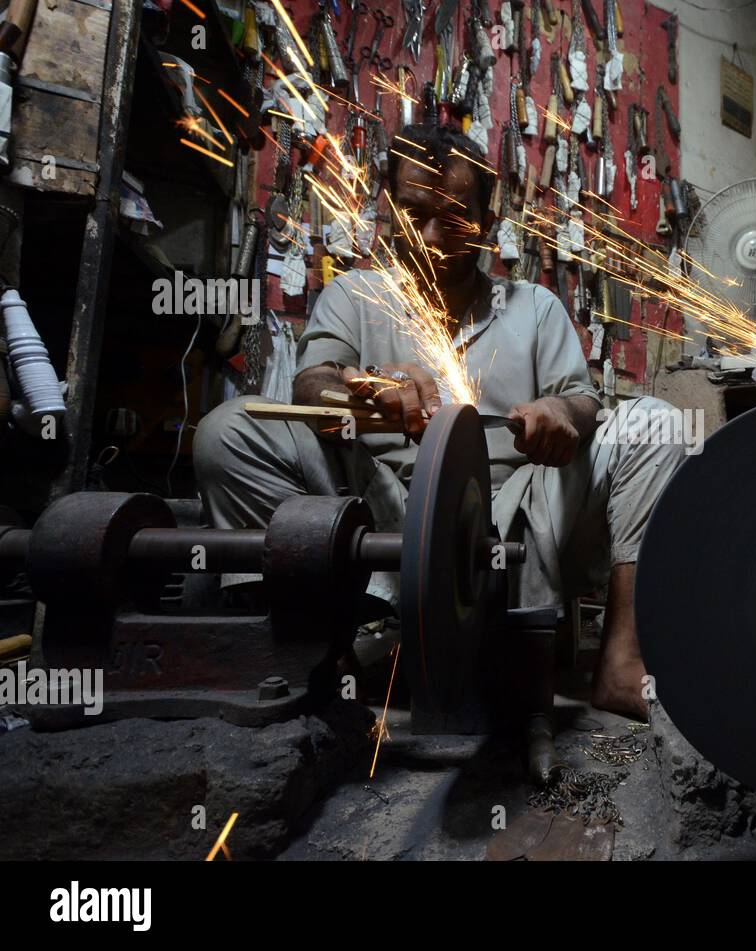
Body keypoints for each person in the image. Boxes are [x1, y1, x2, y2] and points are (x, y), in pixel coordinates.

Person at [194, 123, 686, 719]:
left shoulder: (534, 307)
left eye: (453, 218)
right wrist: (365, 385)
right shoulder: (355, 295)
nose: (430, 238)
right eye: (413, 214)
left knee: (655, 424)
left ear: (488, 212)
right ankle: (321, 656)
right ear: (390, 208)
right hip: (382, 512)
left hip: (518, 514)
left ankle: (621, 664)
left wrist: (562, 412)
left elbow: (584, 400)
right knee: (228, 431)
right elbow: (310, 384)